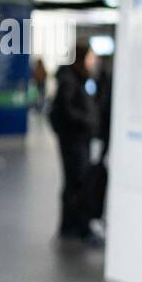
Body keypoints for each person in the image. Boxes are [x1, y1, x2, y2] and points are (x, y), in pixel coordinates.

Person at [49, 42, 101, 245]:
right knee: (78, 182)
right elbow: (68, 111)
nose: (92, 61)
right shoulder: (70, 81)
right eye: (89, 57)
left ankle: (71, 226)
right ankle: (78, 227)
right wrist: (87, 122)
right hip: (74, 140)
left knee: (74, 183)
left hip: (76, 139)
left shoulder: (76, 79)